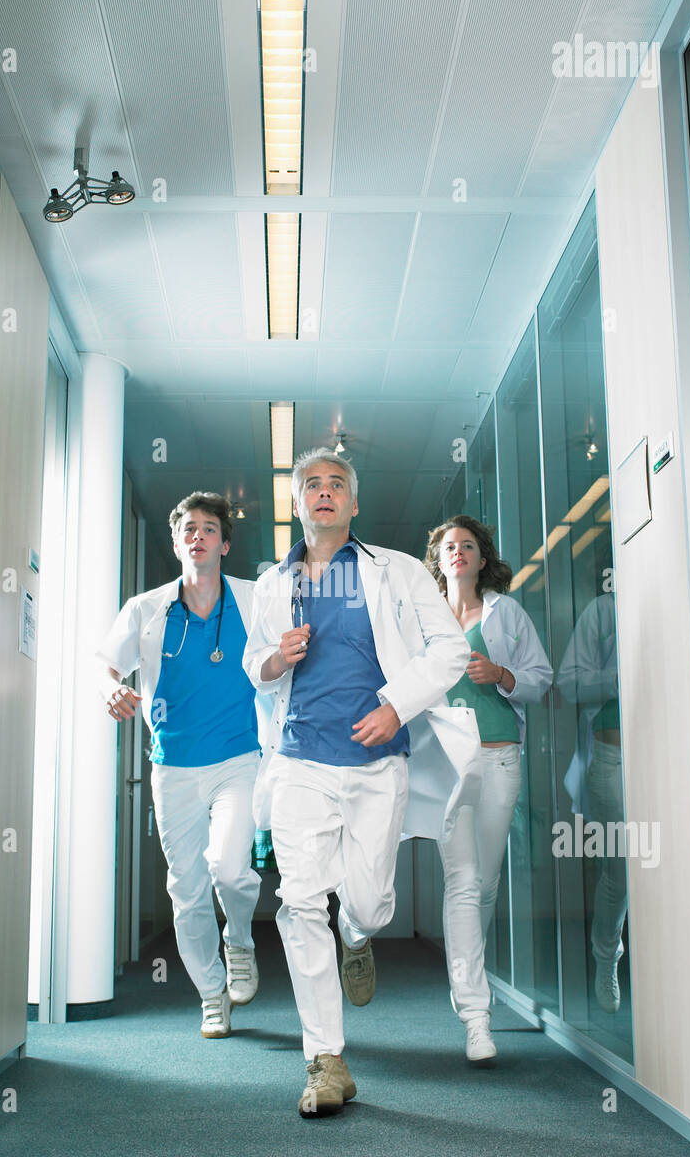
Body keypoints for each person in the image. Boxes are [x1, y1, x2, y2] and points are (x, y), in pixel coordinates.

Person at [243, 449, 475, 1117]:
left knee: (369, 905)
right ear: (295, 504)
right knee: (299, 900)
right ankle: (325, 1060)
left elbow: (449, 650)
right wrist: (270, 660)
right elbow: (252, 668)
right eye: (309, 484)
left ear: (352, 503)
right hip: (299, 760)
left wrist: (395, 705)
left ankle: (359, 936)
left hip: (377, 762)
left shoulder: (397, 570)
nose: (322, 492)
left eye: (335, 485)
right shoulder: (270, 584)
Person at [95, 492, 269, 1038]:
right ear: (176, 542)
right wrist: (111, 689)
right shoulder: (145, 609)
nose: (198, 536)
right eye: (188, 528)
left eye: (209, 528)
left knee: (229, 866)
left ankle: (239, 939)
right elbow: (106, 665)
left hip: (239, 757)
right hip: (173, 766)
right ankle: (211, 992)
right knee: (187, 887)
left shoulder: (253, 600)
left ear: (225, 543)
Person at [424, 515, 553, 1062]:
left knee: (485, 882)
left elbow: (541, 679)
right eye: (449, 546)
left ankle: (467, 968)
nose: (458, 553)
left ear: (481, 558)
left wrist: (500, 675)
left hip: (499, 756)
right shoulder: (422, 619)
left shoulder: (507, 612)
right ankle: (476, 1015)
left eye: (467, 545)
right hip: (446, 764)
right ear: (438, 559)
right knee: (463, 880)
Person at [557, 585, 626, 1014]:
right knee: (620, 871)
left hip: (674, 757)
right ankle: (608, 960)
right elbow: (570, 682)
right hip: (613, 757)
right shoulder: (604, 609)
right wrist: (622, 676)